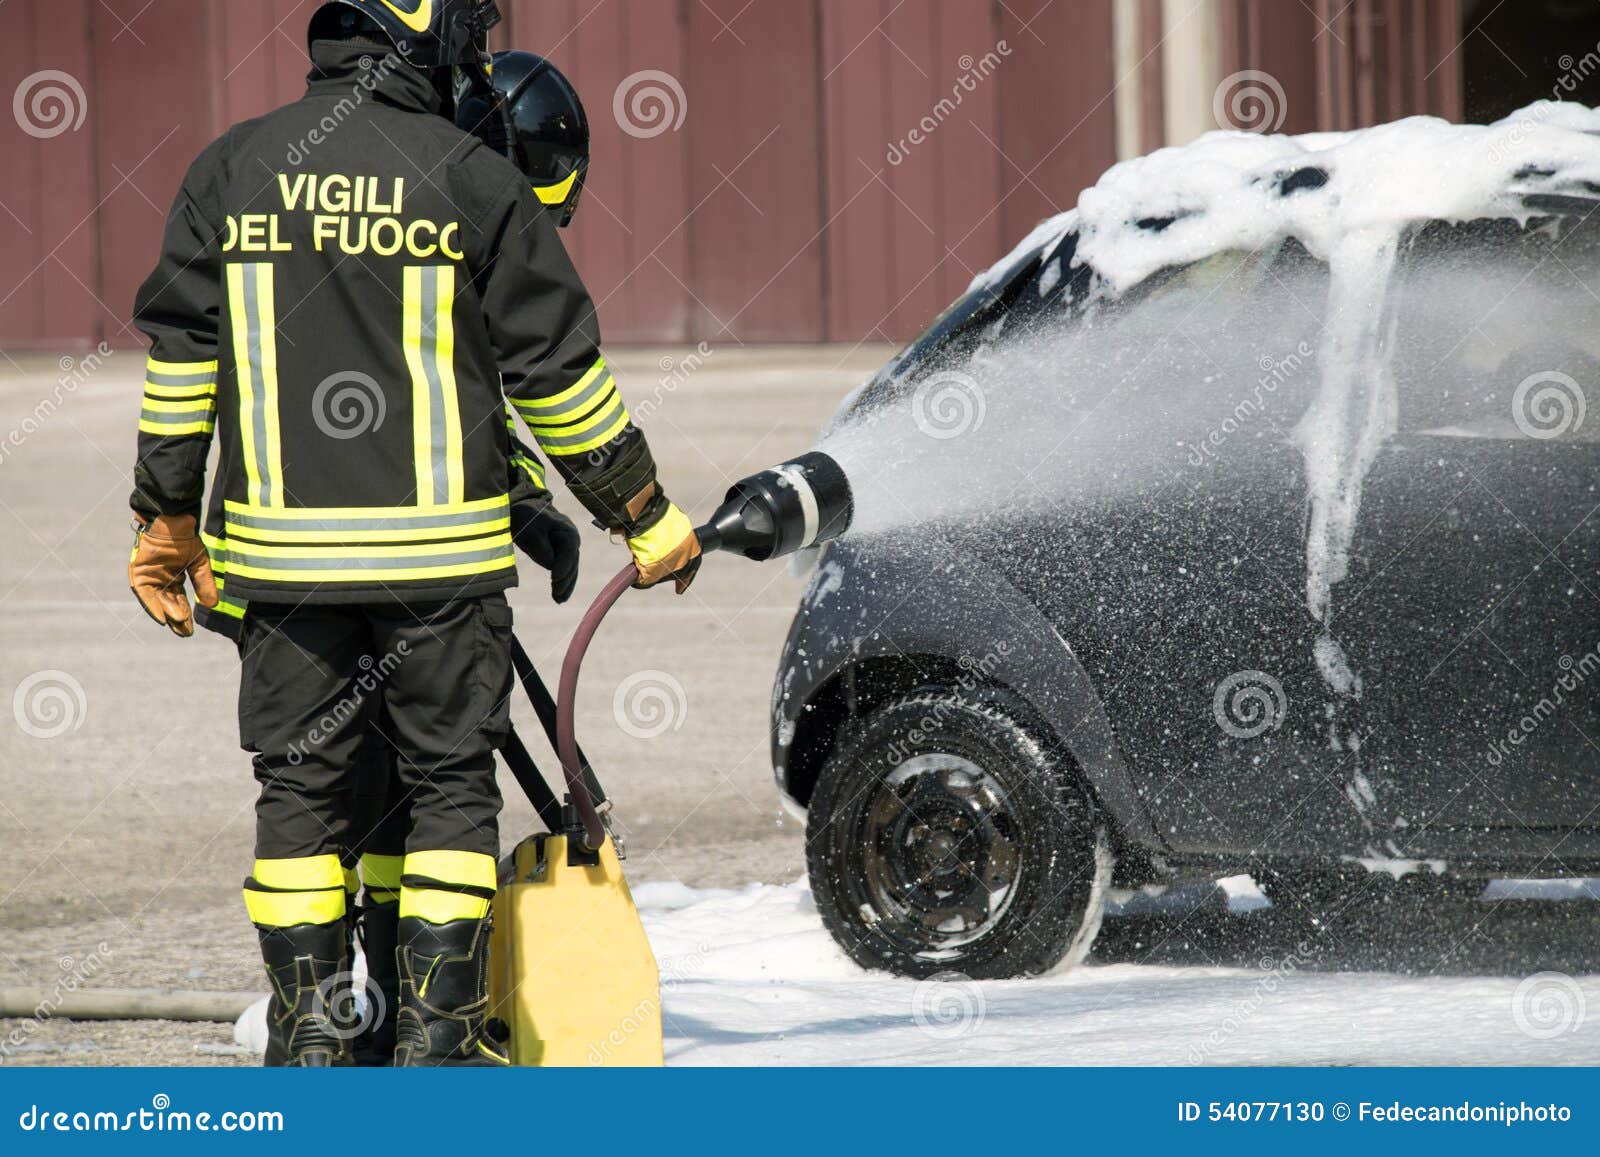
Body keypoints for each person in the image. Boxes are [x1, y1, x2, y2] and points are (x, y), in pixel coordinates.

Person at [126, 0, 699, 1067]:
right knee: (447, 785)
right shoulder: (471, 179)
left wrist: (164, 516)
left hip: (279, 571)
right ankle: (433, 1044)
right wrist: (643, 513)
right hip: (439, 574)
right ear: (428, 40)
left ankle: (310, 1037)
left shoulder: (231, 171)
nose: (477, 66)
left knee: (301, 787)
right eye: (469, 44)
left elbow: (180, 375)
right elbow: (557, 378)